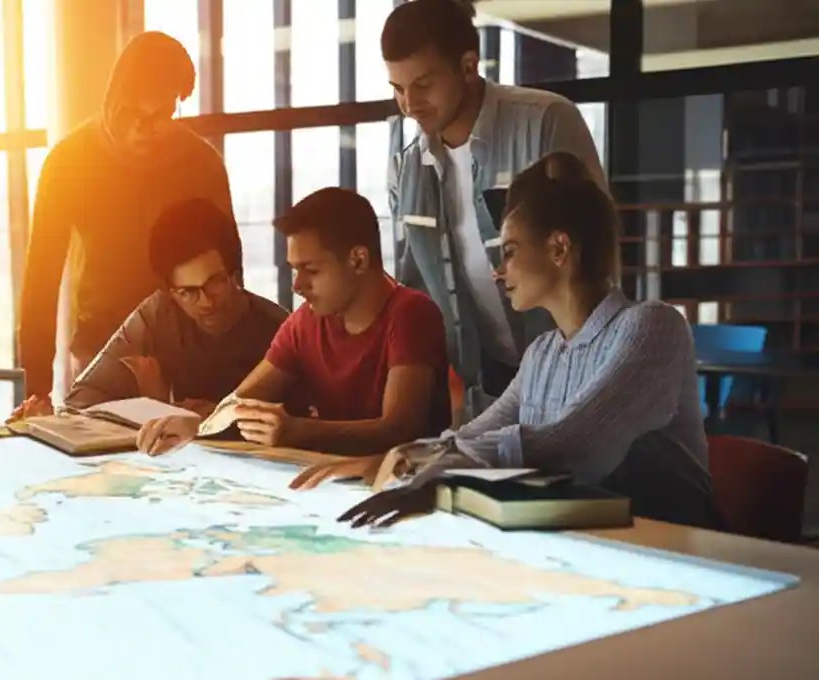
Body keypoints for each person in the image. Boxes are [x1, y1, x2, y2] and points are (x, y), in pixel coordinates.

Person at [298, 152, 721, 531]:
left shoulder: (652, 327)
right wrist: (408, 457)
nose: (499, 272)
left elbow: (574, 445)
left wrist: (434, 465)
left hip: (683, 553)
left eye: (512, 252)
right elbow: (474, 433)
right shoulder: (543, 353)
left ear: (559, 248)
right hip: (597, 544)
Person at [383, 0, 607, 420]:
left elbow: (595, 254)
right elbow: (413, 288)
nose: (410, 104)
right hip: (482, 386)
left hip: (575, 374)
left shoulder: (545, 122)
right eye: (397, 88)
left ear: (468, 66)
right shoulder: (405, 158)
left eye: (424, 84)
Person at [137, 187, 451, 457]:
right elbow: (241, 401)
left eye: (310, 270)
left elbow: (398, 429)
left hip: (405, 485)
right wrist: (200, 426)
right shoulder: (305, 323)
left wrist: (297, 431)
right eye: (293, 270)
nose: (296, 286)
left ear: (358, 260)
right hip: (330, 481)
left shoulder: (411, 313)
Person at [19, 31, 234, 405]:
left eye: (158, 116)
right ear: (110, 100)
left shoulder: (201, 163)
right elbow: (41, 281)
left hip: (188, 354)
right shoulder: (69, 161)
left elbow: (229, 272)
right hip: (100, 350)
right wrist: (36, 388)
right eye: (130, 113)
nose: (142, 129)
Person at [12, 198, 287, 418]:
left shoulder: (278, 328)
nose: (205, 301)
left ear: (235, 273)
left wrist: (214, 417)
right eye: (188, 292)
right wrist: (54, 420)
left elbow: (306, 421)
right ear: (170, 292)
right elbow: (85, 396)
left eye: (214, 282)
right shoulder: (157, 315)